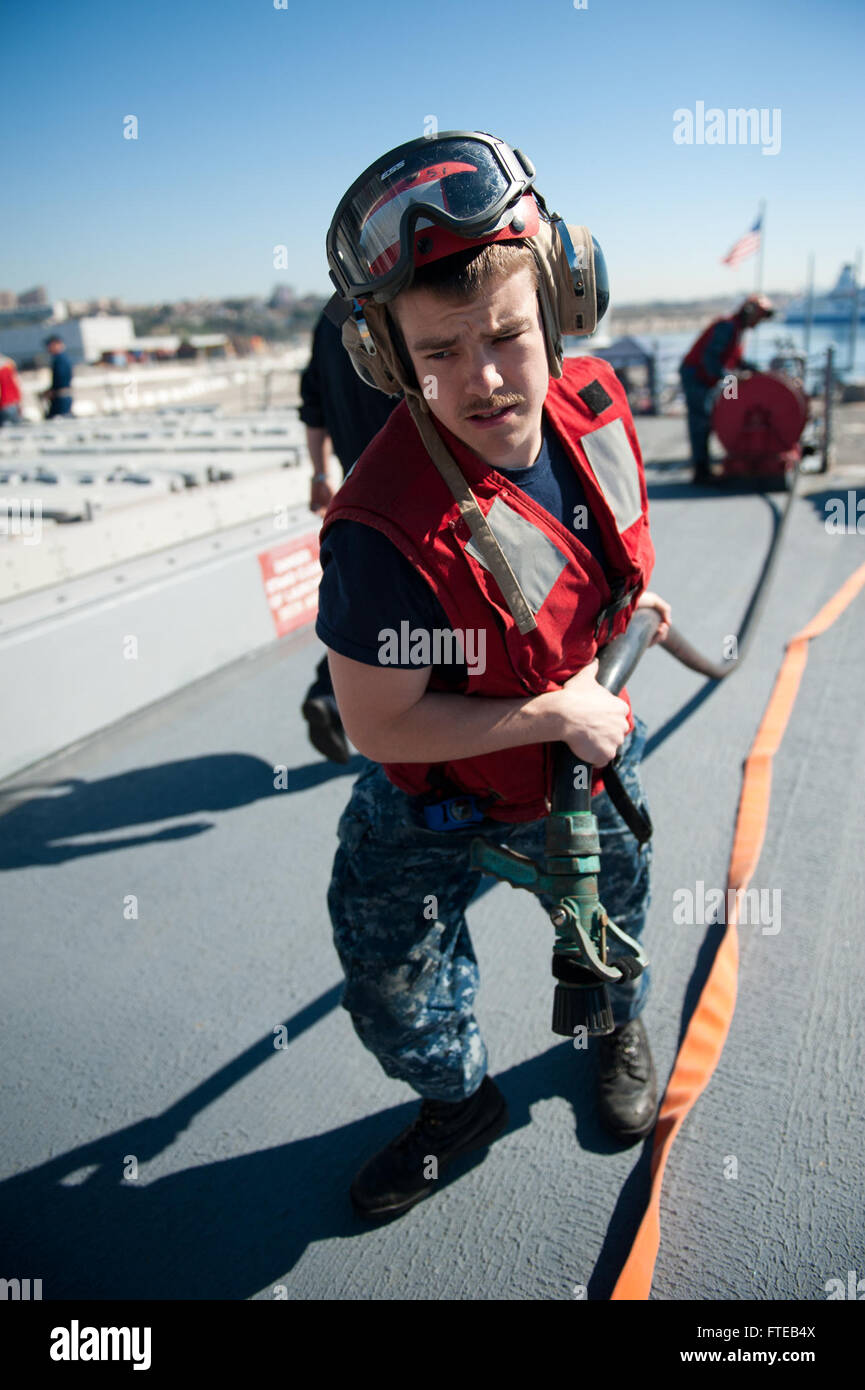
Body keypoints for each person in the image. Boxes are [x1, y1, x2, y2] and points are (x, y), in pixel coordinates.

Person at [317, 130, 672, 1220]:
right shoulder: (381, 528)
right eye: (438, 351)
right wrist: (555, 710)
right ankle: (457, 1101)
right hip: (439, 795)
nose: (480, 378)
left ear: (562, 303)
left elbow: (614, 548)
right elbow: (382, 726)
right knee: (388, 970)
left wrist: (629, 617)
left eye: (508, 335)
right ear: (387, 358)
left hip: (583, 753)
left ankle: (612, 1029)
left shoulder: (595, 403)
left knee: (612, 921)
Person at [299, 310, 399, 762]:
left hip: (357, 489)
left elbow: (313, 404)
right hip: (418, 485)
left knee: (370, 599)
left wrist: (320, 474)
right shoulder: (398, 297)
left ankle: (330, 694)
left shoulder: (329, 319)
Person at [679, 294, 774, 482]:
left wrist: (758, 371)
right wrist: (732, 378)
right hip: (696, 377)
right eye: (759, 317)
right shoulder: (727, 327)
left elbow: (735, 359)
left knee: (717, 414)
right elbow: (710, 360)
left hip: (708, 378)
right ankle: (701, 472)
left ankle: (709, 465)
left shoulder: (738, 330)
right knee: (701, 422)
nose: (759, 322)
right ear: (750, 313)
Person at [41, 335, 74, 418]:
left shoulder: (60, 359)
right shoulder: (60, 358)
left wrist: (53, 391)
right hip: (61, 396)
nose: (48, 348)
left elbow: (61, 378)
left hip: (61, 397)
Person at [0, 352, 23, 425]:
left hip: (4, 404)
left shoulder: (3, 370)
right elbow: (17, 385)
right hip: (13, 403)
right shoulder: (9, 366)